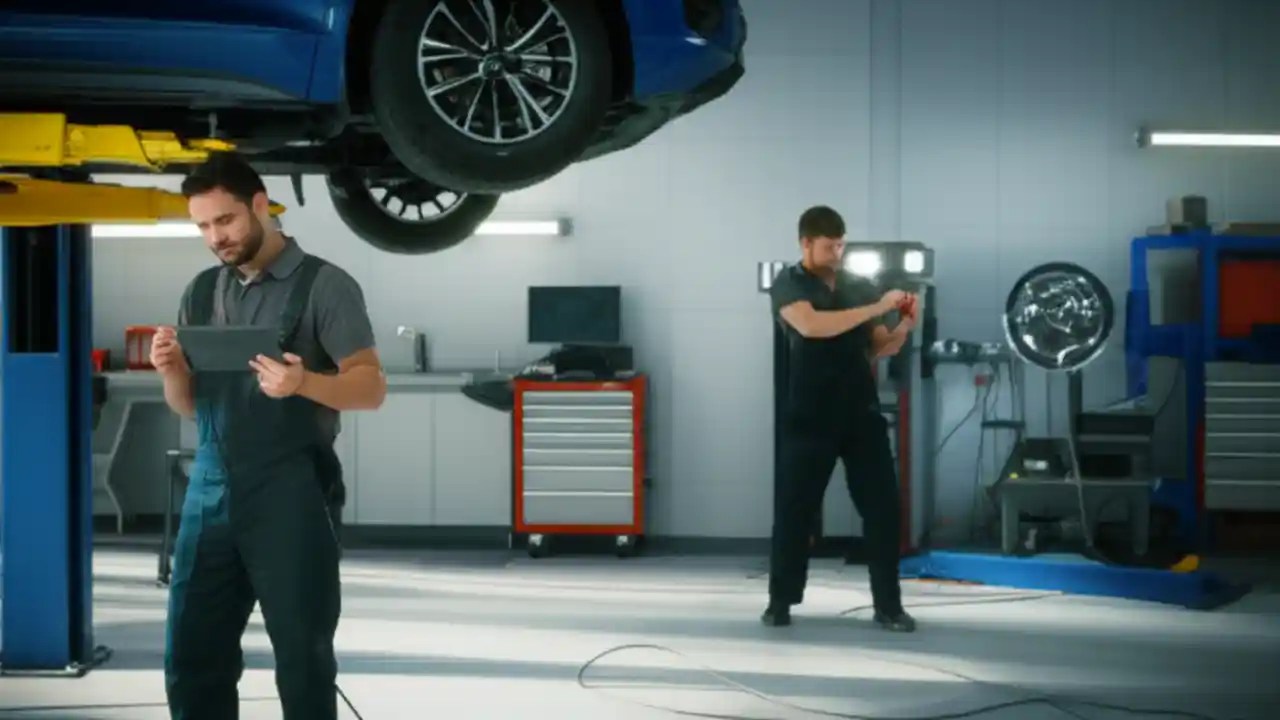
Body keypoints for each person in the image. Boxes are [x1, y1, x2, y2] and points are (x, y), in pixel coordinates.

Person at [149, 151, 387, 719]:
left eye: (225, 221)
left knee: (303, 660)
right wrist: (172, 372)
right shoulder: (202, 291)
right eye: (203, 226)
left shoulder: (325, 287)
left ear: (261, 206)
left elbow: (370, 387)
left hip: (291, 494)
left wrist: (304, 381)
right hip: (208, 495)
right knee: (191, 657)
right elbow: (189, 407)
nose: (215, 237)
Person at [763, 205, 918, 631]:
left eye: (841, 245)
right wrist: (876, 307)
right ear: (806, 243)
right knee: (796, 510)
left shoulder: (856, 286)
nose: (836, 253)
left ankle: (889, 605)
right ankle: (780, 601)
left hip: (860, 414)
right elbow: (812, 327)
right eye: (829, 246)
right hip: (809, 415)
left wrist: (903, 327)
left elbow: (875, 347)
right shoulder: (788, 284)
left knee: (883, 508)